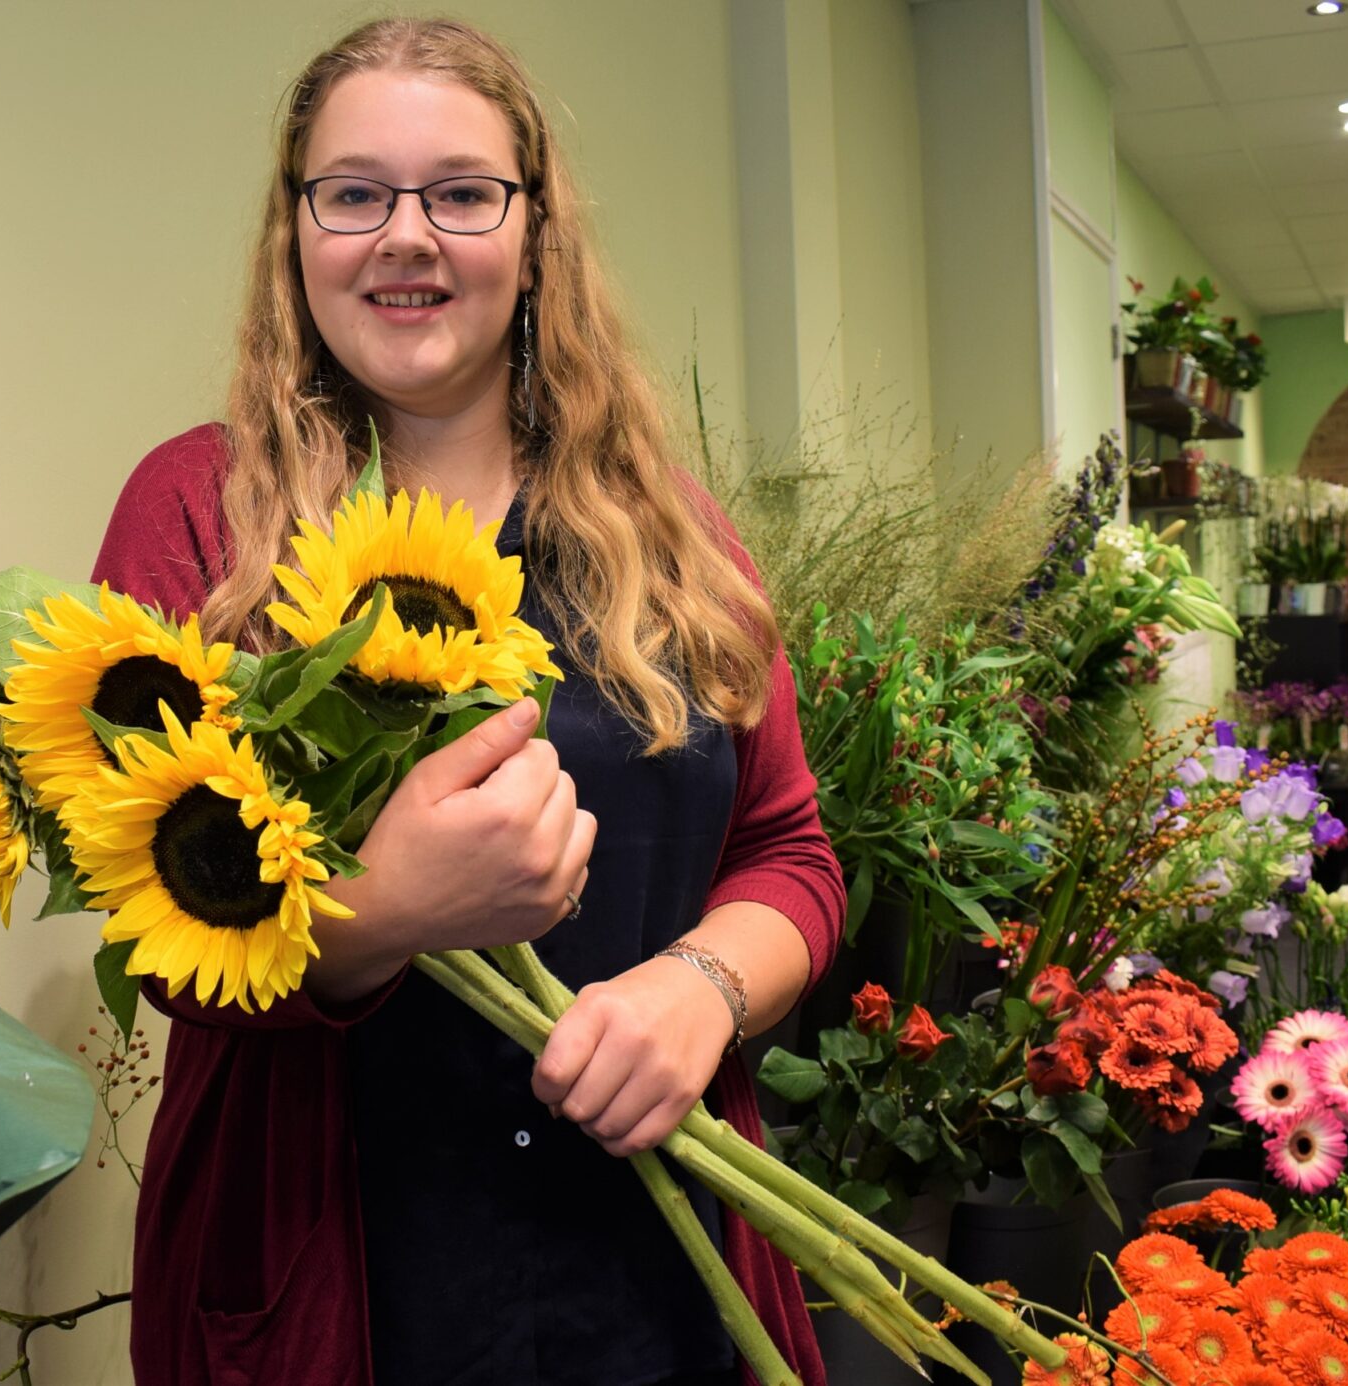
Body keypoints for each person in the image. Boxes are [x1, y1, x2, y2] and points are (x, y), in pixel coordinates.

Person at [91, 18, 843, 1386]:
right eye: (356, 193)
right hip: (348, 1290)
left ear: (534, 230)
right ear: (296, 229)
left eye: (461, 192)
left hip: (656, 1280)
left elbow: (787, 854)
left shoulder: (671, 535)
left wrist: (703, 986)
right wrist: (381, 913)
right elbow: (158, 941)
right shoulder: (200, 518)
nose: (407, 236)